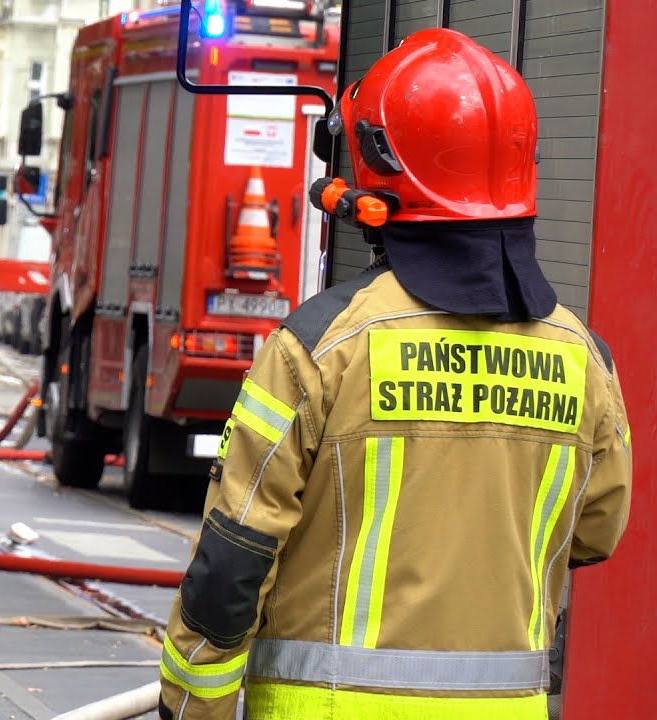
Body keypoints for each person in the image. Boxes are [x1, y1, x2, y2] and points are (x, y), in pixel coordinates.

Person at [158, 28, 632, 720]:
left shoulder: (319, 347)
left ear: (378, 172)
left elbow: (233, 563)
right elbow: (596, 532)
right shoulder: (583, 358)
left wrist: (191, 708)